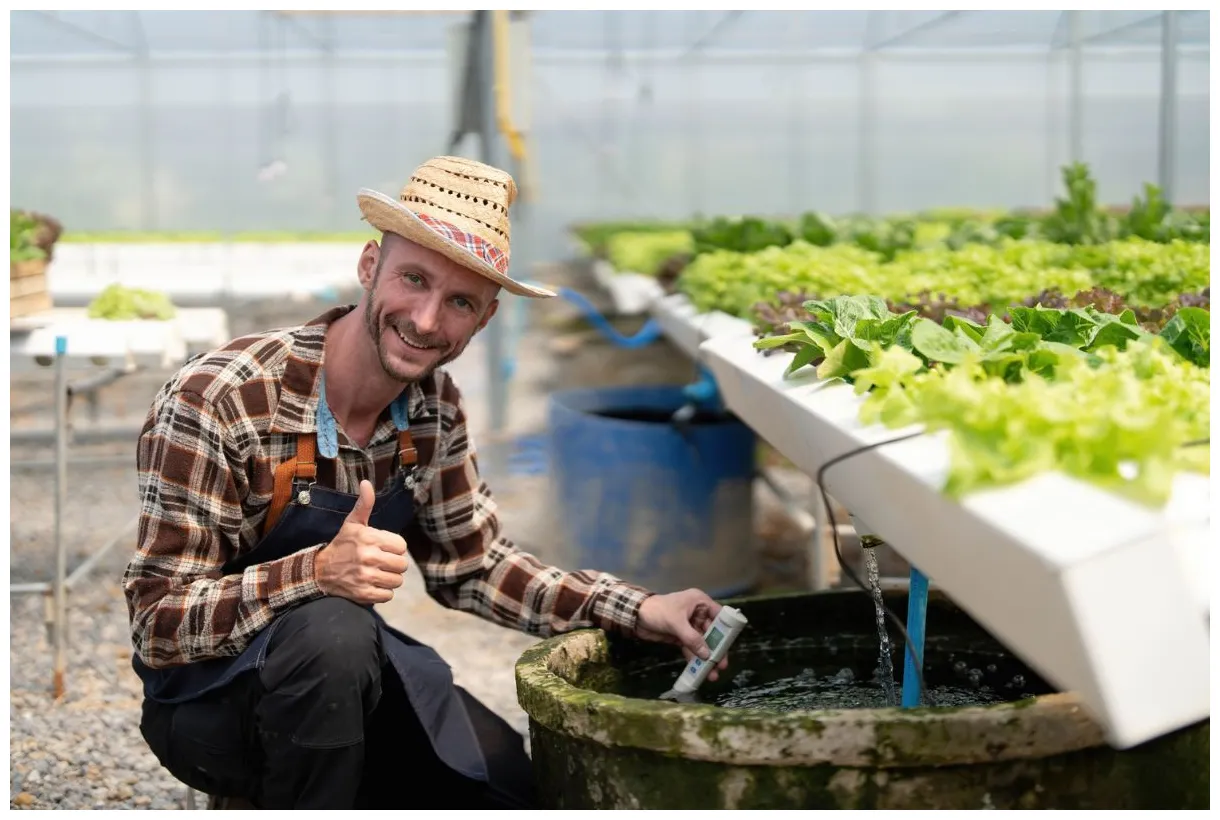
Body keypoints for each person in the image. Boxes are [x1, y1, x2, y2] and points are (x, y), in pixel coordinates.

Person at [122, 155, 731, 810]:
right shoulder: (222, 397)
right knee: (332, 630)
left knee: (504, 784)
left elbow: (474, 567)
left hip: (338, 684)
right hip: (209, 702)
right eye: (413, 278)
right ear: (368, 267)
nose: (427, 320)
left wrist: (639, 609)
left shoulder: (433, 407)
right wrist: (315, 574)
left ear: (485, 318)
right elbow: (159, 622)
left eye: (460, 301)